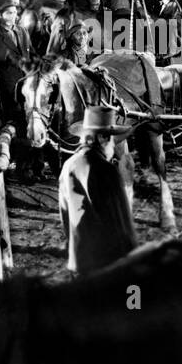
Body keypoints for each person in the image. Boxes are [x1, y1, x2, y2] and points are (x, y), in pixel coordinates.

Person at [57, 106, 138, 276]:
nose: (113, 147)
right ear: (102, 138)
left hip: (79, 262)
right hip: (106, 266)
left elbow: (65, 218)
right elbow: (121, 225)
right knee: (134, 299)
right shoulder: (105, 169)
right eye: (112, 141)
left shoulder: (68, 166)